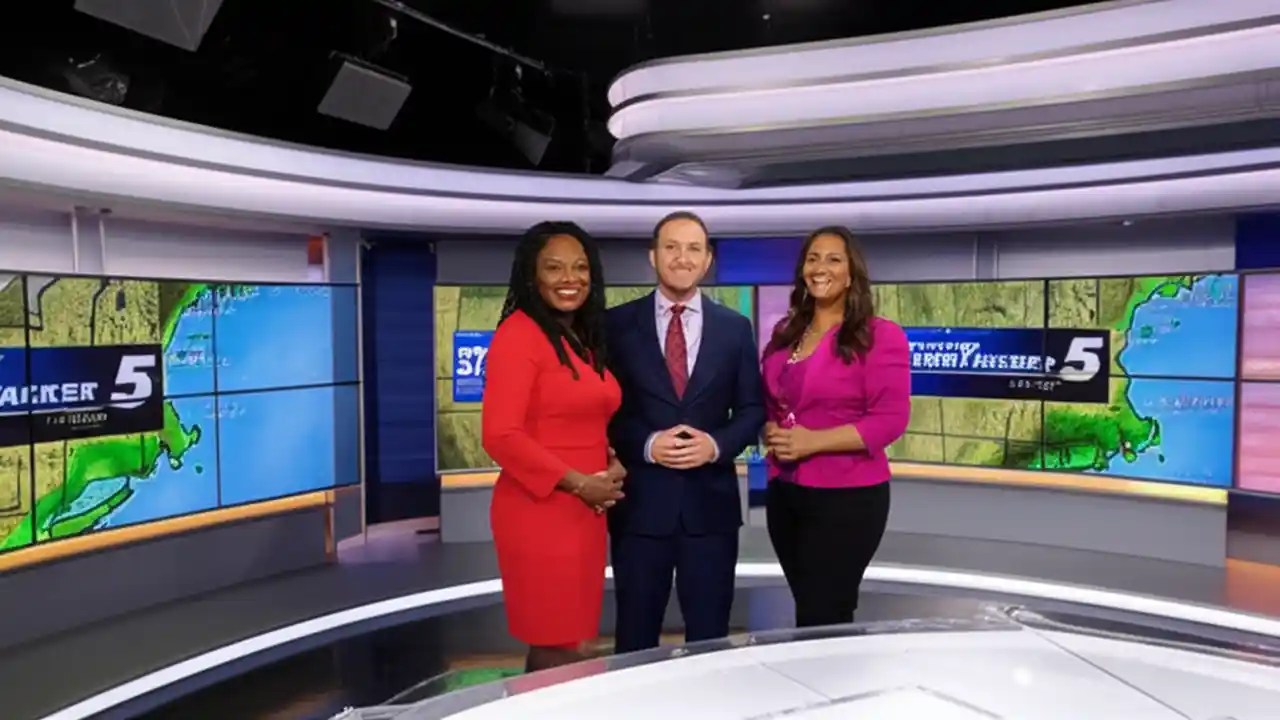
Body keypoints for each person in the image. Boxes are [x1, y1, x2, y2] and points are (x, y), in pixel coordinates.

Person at [606, 211, 765, 654]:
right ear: (652, 256)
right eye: (672, 247)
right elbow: (604, 411)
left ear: (708, 259)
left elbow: (752, 409)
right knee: (635, 637)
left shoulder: (735, 328)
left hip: (710, 511)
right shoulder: (614, 325)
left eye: (694, 248)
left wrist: (716, 445)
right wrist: (646, 444)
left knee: (710, 637)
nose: (682, 257)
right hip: (640, 510)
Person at [481, 221, 627, 672]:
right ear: (532, 275)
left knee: (576, 640)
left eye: (581, 267)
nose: (570, 278)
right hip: (540, 510)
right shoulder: (519, 335)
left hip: (585, 509)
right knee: (555, 644)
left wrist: (612, 460)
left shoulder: (578, 339)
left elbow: (582, 414)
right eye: (555, 267)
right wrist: (580, 484)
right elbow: (500, 435)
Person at [761, 226, 911, 629]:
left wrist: (813, 442)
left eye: (833, 259)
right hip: (786, 493)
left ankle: (832, 688)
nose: (820, 267)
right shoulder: (784, 334)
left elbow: (891, 420)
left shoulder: (880, 336)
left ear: (851, 273)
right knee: (809, 609)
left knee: (825, 613)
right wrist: (769, 430)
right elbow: (774, 402)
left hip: (847, 499)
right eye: (812, 258)